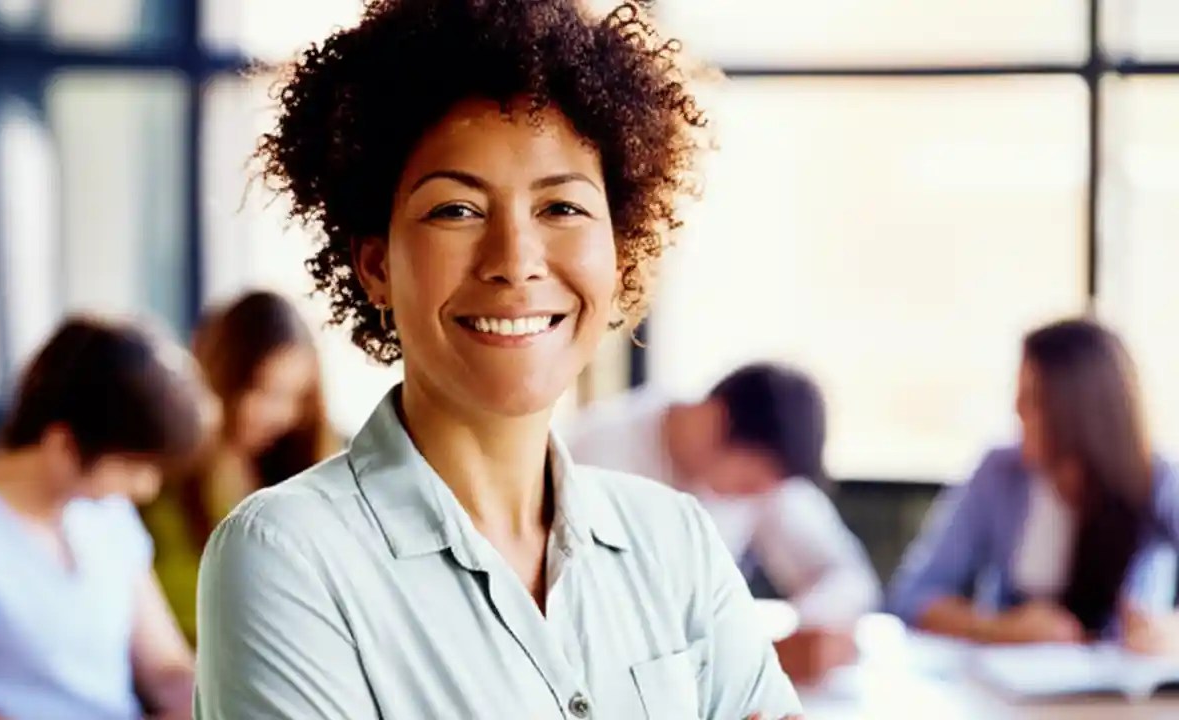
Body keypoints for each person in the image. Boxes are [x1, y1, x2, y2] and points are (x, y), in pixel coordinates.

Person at [193, 1, 803, 718]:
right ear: (375, 265)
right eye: (456, 210)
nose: (515, 262)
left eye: (563, 209)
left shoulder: (676, 542)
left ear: (620, 248)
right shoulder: (288, 558)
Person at [0, 316, 209, 720]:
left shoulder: (108, 515)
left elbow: (165, 670)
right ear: (63, 444)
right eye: (133, 466)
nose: (145, 488)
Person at [567, 363, 881, 684]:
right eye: (750, 481)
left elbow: (847, 576)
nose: (755, 494)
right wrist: (755, 659)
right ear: (715, 417)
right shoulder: (594, 454)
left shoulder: (759, 479)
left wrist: (813, 629)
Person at [888, 318, 1179, 657]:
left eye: (1033, 398)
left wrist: (1168, 630)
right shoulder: (998, 473)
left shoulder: (1158, 482)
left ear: (1080, 411)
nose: (1016, 409)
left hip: (1125, 699)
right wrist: (999, 629)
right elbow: (911, 596)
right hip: (1013, 695)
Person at [140, 290, 336, 644]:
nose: (281, 415)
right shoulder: (156, 482)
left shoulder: (302, 472)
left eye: (295, 397)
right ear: (223, 376)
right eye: (264, 392)